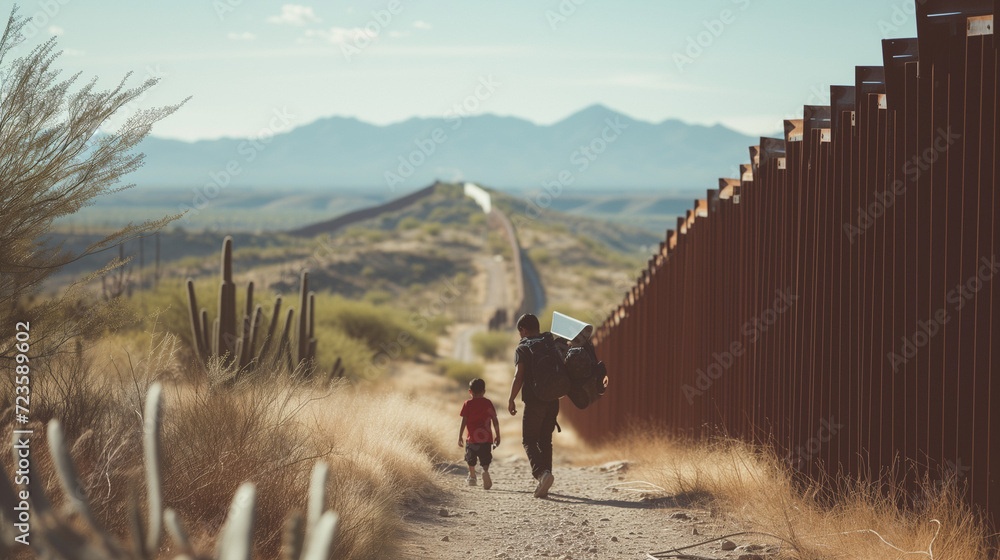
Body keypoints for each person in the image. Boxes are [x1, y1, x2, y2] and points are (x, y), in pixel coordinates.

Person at [507, 313, 557, 498]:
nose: (520, 336)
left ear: (524, 330)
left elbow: (519, 376)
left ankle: (541, 474)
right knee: (545, 440)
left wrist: (511, 398)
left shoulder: (524, 347)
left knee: (528, 440)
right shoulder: (549, 342)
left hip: (534, 400)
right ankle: (546, 477)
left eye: (520, 332)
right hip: (553, 399)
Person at [458, 378, 500, 489]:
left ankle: (472, 476)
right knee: (485, 458)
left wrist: (460, 435)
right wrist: (498, 435)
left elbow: (464, 420)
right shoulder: (488, 403)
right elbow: (495, 420)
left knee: (470, 459)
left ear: (470, 392)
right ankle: (485, 471)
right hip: (486, 439)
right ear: (484, 391)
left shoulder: (468, 404)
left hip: (472, 439)